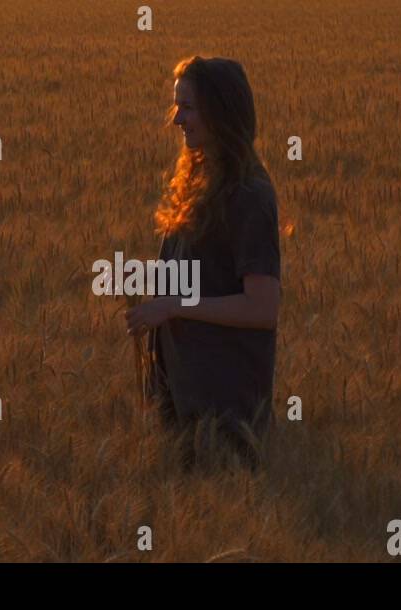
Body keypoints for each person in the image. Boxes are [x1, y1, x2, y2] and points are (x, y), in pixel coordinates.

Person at [124, 55, 282, 472]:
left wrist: (173, 306)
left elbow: (262, 308)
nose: (176, 119)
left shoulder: (249, 195)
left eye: (188, 107)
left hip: (224, 409)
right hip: (185, 394)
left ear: (220, 111)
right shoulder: (196, 178)